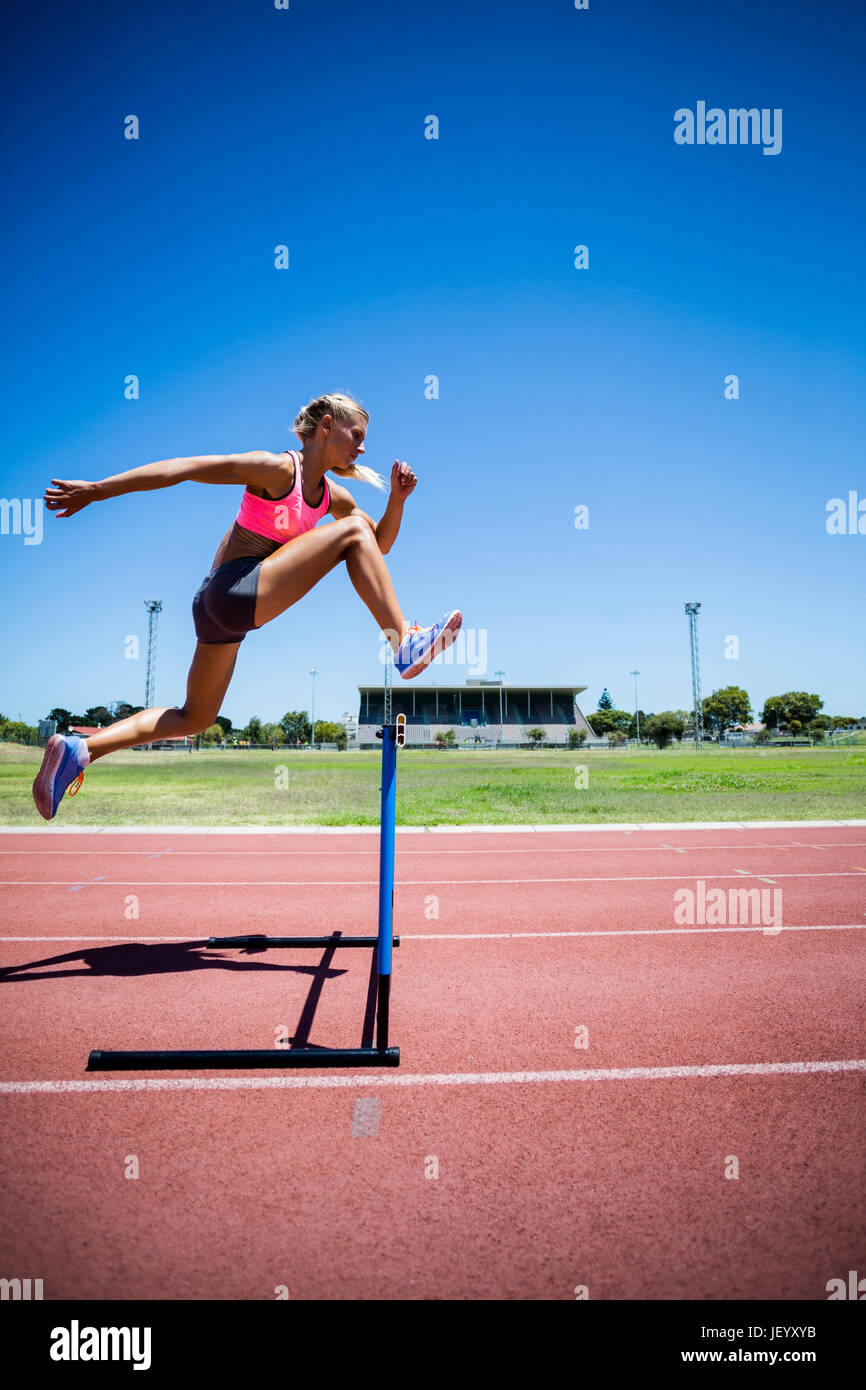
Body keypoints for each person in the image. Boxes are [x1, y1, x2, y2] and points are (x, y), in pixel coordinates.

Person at [33, 391, 462, 820]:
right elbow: (183, 469)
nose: (363, 447)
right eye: (357, 434)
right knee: (352, 532)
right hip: (233, 589)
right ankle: (403, 639)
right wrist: (96, 489)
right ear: (327, 426)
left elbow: (378, 546)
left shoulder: (332, 497)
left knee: (194, 717)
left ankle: (80, 748)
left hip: (218, 613)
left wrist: (397, 502)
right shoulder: (276, 469)